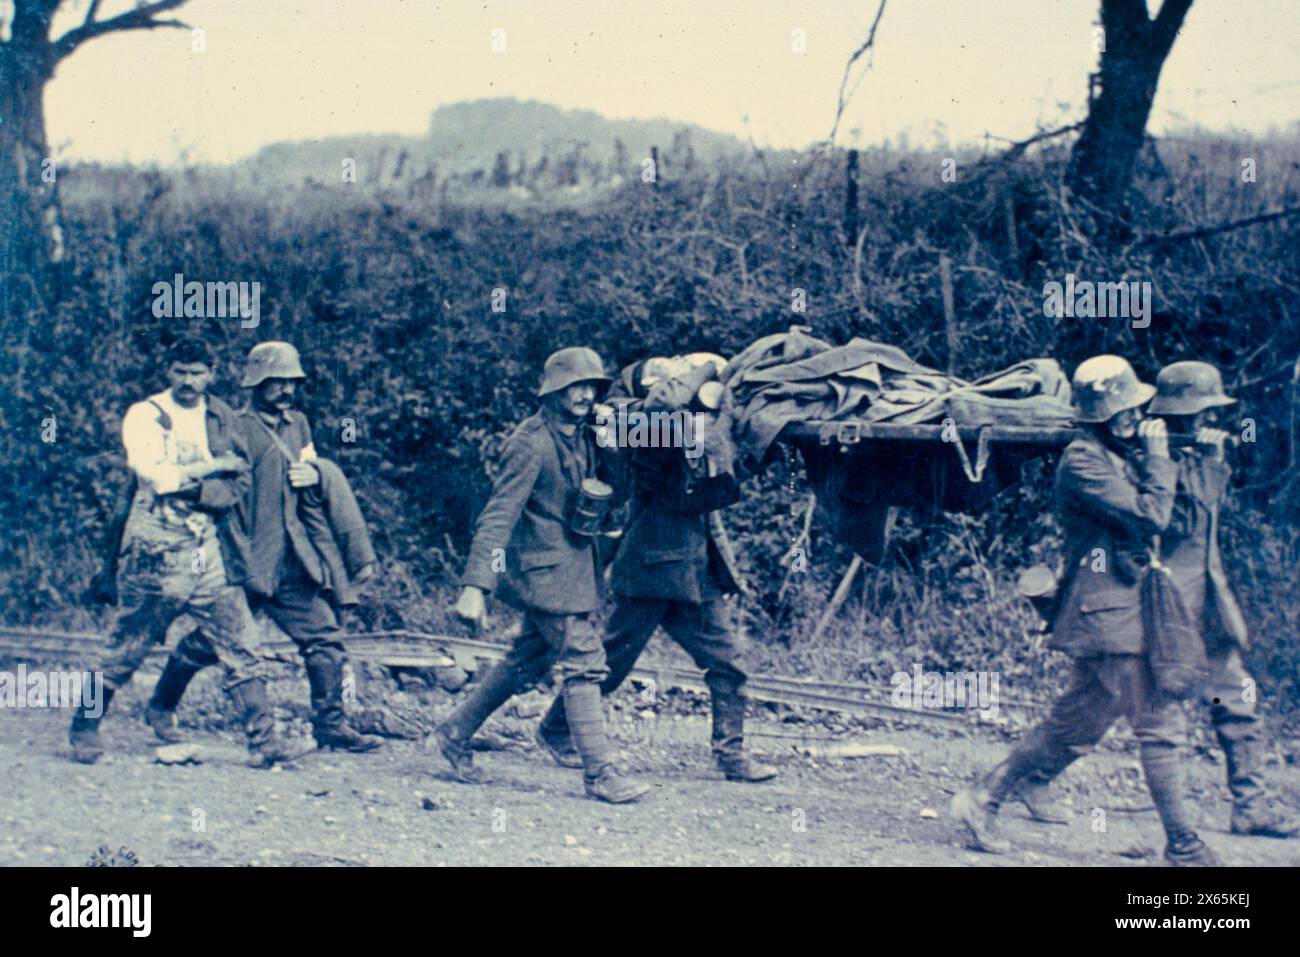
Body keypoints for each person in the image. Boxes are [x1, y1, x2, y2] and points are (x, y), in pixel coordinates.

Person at [951, 355, 1220, 866]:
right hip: (1108, 616)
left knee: (1075, 723)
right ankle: (1186, 848)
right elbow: (1150, 517)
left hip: (1120, 613)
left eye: (1137, 413)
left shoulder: (1123, 457)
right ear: (1107, 416)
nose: (1137, 421)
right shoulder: (1083, 461)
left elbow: (1181, 524)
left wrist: (1192, 463)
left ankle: (983, 799)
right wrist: (1159, 461)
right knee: (1161, 726)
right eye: (1128, 413)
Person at [533, 355, 778, 783]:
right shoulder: (637, 424)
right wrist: (705, 369)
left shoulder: (694, 424)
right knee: (610, 663)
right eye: (668, 373)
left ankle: (731, 755)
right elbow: (663, 408)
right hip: (649, 571)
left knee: (728, 663)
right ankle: (555, 730)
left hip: (694, 575)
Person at [434, 346, 651, 803]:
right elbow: (498, 516)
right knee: (585, 661)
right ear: (552, 390)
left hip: (576, 567)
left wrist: (612, 447)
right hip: (544, 575)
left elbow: (616, 493)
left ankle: (455, 731)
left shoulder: (587, 433)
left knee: (527, 660)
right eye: (575, 386)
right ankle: (601, 774)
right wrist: (476, 586)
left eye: (591, 386)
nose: (584, 394)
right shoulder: (530, 443)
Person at [70, 336, 297, 768]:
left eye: (197, 372)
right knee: (129, 644)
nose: (189, 381)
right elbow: (155, 475)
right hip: (154, 549)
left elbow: (240, 479)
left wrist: (203, 489)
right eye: (180, 371)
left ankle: (263, 742)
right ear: (167, 372)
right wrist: (210, 470)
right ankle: (85, 725)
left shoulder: (221, 416)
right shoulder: (147, 415)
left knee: (241, 640)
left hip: (204, 549)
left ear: (211, 374)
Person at [143, 342, 381, 754]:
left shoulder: (299, 425)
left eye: (292, 382)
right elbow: (223, 493)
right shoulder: (234, 428)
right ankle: (162, 704)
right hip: (244, 561)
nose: (286, 390)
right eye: (277, 382)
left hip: (292, 562)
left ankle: (331, 726)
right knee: (211, 643)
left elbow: (310, 486)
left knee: (325, 639)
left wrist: (316, 474)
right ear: (256, 382)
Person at [1149, 360, 1297, 838]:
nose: (1209, 423)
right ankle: (1024, 781)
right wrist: (1201, 469)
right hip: (1167, 610)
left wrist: (1211, 464)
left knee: (1235, 699)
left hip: (1207, 606)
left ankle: (1250, 804)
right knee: (1104, 714)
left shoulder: (1197, 457)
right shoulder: (1151, 461)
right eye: (1200, 415)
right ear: (1180, 416)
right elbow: (1172, 524)